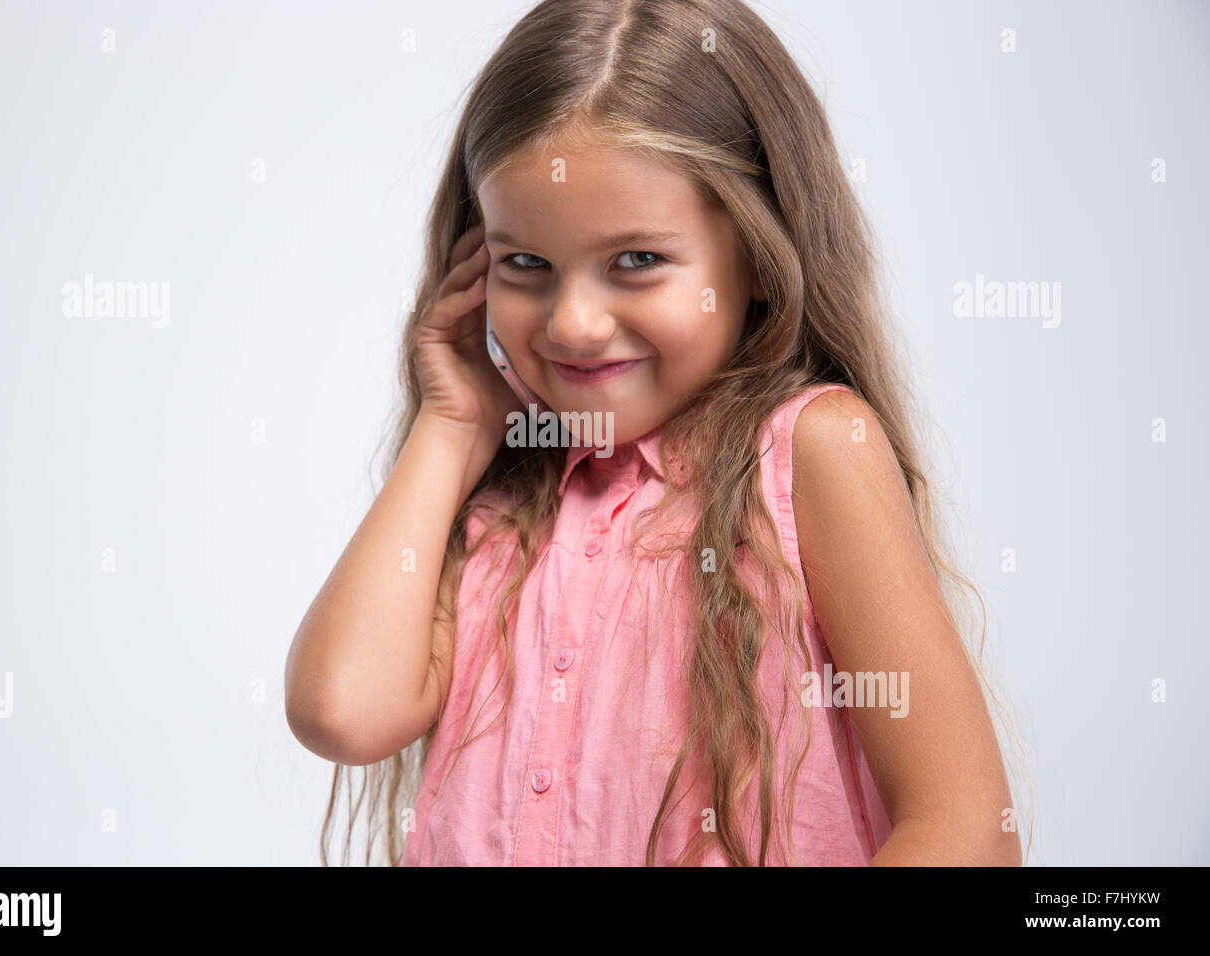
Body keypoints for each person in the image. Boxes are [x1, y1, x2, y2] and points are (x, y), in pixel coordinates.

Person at [285, 0, 1029, 866]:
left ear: (756, 254)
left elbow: (965, 826)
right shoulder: (498, 502)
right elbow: (342, 710)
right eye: (526, 264)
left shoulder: (810, 455)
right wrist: (453, 425)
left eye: (635, 261)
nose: (574, 323)